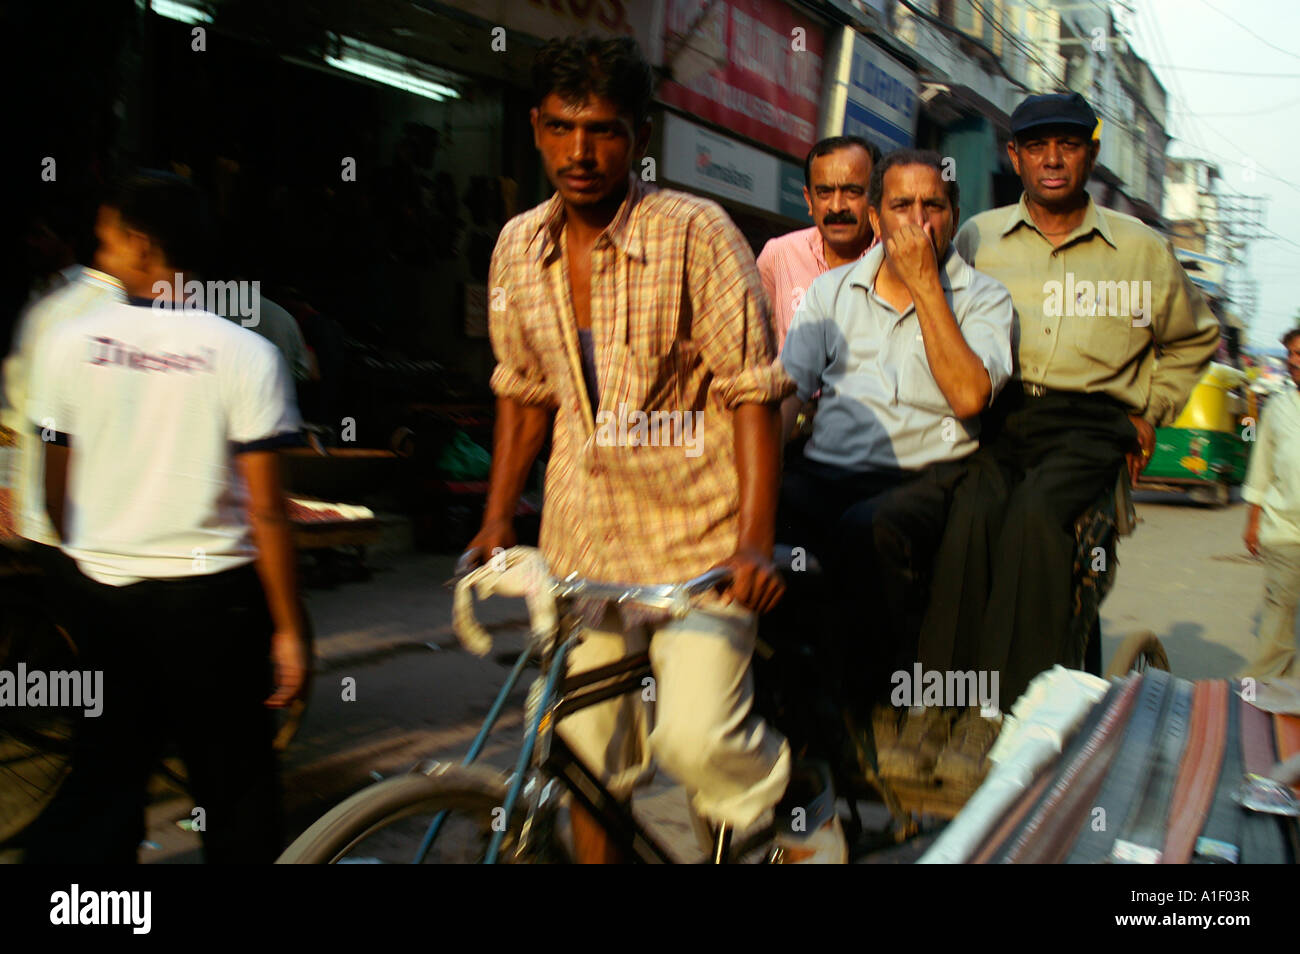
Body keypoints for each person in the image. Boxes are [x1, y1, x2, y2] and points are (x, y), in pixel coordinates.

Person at [464, 35, 845, 862]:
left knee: (695, 739)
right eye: (562, 128)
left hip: (696, 548)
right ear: (535, 128)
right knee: (587, 761)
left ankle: (795, 802)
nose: (580, 151)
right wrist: (496, 520)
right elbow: (524, 391)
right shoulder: (515, 249)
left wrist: (753, 542)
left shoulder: (695, 232)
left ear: (641, 137)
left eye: (603, 130)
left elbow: (752, 389)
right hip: (582, 546)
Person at [22, 172, 307, 863]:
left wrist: (93, 555)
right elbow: (268, 511)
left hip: (106, 599)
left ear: (143, 245)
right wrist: (291, 630)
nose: (97, 254)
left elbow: (57, 490)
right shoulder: (249, 355)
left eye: (107, 238)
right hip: (214, 606)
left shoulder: (66, 344)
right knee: (233, 790)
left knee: (107, 778)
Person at [920, 92, 1221, 709]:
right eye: (1036, 146)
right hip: (1002, 414)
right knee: (968, 512)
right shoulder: (980, 238)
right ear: (1015, 155)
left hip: (1093, 422)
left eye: (1068, 144)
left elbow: (1197, 337)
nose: (1052, 159)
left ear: (1091, 153)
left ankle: (1017, 709)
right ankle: (943, 701)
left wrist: (1150, 411)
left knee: (1036, 516)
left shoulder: (1140, 249)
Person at [777, 148, 1013, 699]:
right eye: (901, 205)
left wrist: (928, 285)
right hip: (828, 470)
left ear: (952, 214)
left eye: (933, 205)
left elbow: (969, 396)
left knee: (866, 531)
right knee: (760, 525)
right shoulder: (830, 292)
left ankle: (869, 702)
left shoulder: (984, 298)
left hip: (925, 477)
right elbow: (788, 389)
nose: (918, 220)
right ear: (877, 219)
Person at [757, 135, 880, 351]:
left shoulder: (898, 263)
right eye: (824, 193)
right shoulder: (779, 255)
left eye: (852, 192)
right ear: (809, 200)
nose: (837, 206)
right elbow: (755, 343)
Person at [1238, 328, 1300, 678]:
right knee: (1278, 617)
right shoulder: (1277, 408)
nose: (1293, 361)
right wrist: (1253, 521)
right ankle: (1257, 696)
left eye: (1299, 353)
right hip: (1284, 530)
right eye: (1290, 353)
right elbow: (1260, 468)